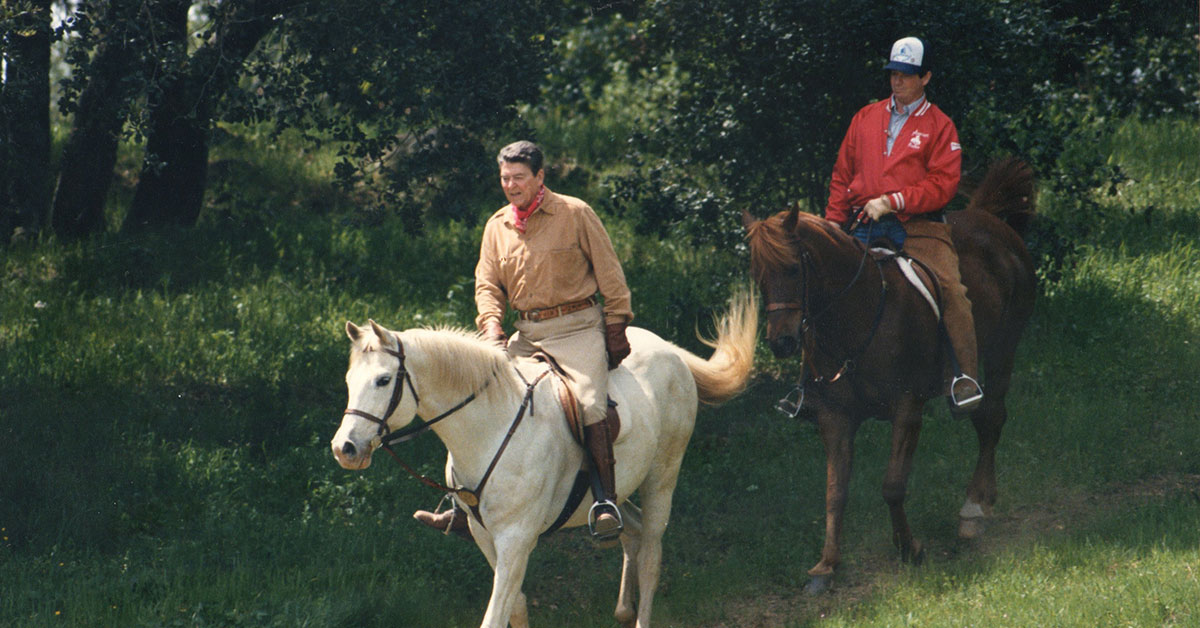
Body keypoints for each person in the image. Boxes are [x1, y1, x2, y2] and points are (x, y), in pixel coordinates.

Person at [413, 140, 633, 541]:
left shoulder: (576, 213)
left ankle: (606, 500)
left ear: (540, 177)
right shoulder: (496, 225)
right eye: (504, 178)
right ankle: (462, 505)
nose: (511, 185)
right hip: (527, 332)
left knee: (587, 403)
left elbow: (611, 273)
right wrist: (492, 327)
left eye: (518, 177)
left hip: (577, 327)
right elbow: (487, 286)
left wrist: (617, 324)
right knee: (478, 395)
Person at [823, 36, 983, 412]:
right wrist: (833, 225)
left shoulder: (940, 126)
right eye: (894, 73)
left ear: (925, 77)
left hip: (918, 226)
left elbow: (943, 185)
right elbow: (841, 175)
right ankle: (808, 387)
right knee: (823, 280)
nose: (898, 82)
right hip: (862, 222)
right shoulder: (865, 117)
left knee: (952, 290)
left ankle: (965, 378)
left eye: (907, 75)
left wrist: (894, 201)